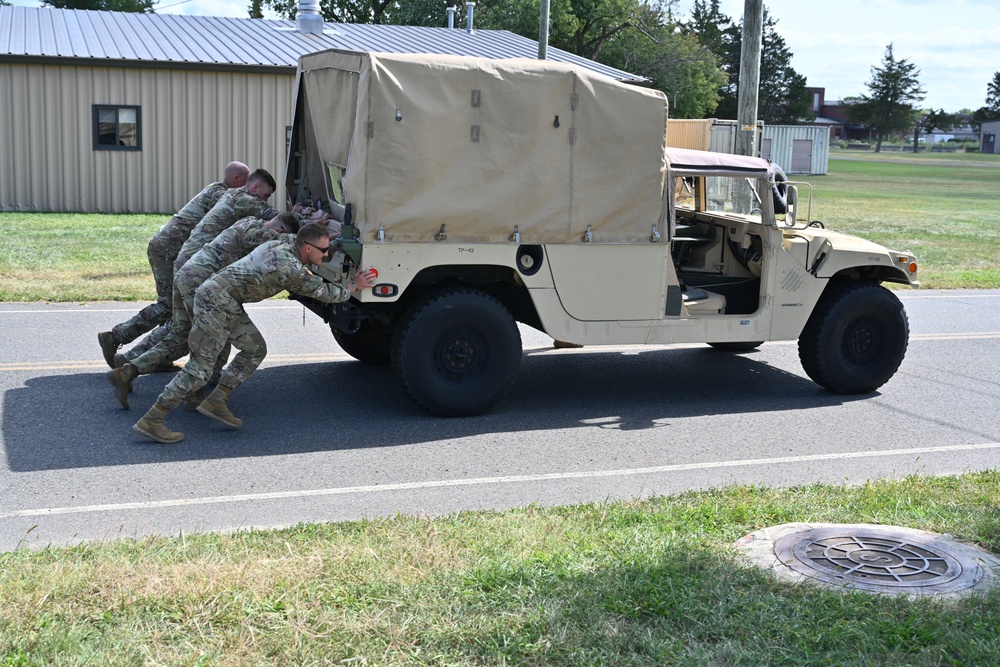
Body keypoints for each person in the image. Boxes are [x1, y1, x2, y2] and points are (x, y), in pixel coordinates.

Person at [132, 223, 376, 444]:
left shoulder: (283, 243)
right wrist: (355, 286)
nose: (326, 254)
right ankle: (153, 419)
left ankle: (217, 400)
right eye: (323, 250)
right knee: (199, 369)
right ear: (308, 249)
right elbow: (326, 293)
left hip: (224, 299)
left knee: (255, 349)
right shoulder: (289, 269)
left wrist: (331, 239)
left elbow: (302, 238)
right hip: (214, 302)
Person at [107, 212, 302, 409]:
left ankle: (127, 371)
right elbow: (299, 242)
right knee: (214, 342)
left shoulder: (250, 221)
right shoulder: (258, 232)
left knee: (181, 335)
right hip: (200, 285)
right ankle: (192, 394)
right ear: (281, 229)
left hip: (188, 276)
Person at [97, 161, 250, 367]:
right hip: (169, 250)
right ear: (236, 179)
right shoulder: (222, 195)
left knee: (175, 309)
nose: (246, 187)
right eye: (245, 181)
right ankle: (116, 337)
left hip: (169, 248)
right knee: (170, 306)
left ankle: (155, 357)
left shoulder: (216, 188)